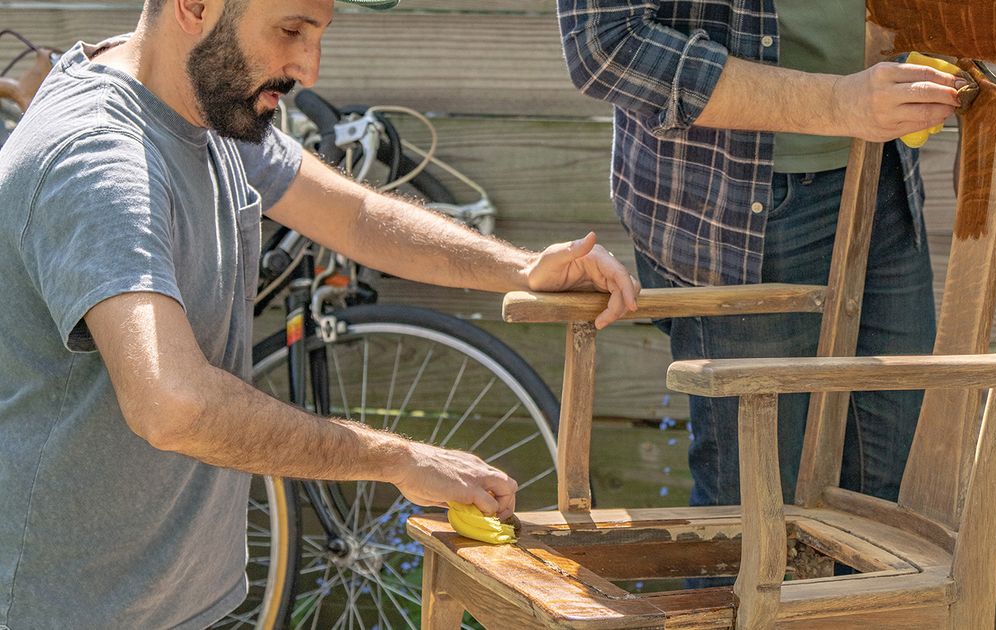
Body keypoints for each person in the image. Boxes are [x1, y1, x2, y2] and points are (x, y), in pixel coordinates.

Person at [0, 0, 639, 627]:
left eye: (321, 32)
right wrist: (398, 459)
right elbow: (173, 403)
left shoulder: (199, 98)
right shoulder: (99, 162)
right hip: (61, 606)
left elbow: (355, 218)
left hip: (175, 600)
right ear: (194, 7)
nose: (309, 67)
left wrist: (522, 269)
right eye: (291, 30)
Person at [558, 2, 962, 510]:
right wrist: (838, 104)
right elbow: (606, 47)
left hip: (884, 177)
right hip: (733, 211)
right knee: (752, 513)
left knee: (886, 499)